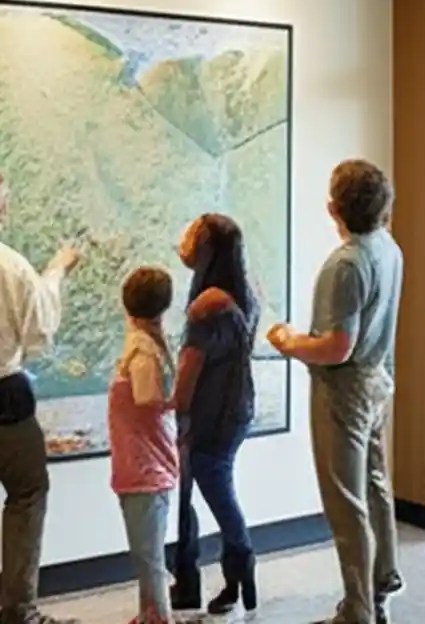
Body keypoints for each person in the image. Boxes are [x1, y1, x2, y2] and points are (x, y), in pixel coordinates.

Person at [268, 160, 403, 624]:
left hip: (344, 389)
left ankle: (358, 610)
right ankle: (382, 580)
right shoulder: (389, 249)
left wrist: (288, 341)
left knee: (346, 500)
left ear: (333, 208)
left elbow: (335, 347)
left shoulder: (344, 265)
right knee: (376, 485)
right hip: (377, 382)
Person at [0, 172, 82, 624]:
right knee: (28, 494)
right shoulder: (11, 267)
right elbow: (39, 331)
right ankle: (17, 610)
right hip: (7, 399)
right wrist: (57, 270)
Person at [169, 214, 259, 616]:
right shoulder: (245, 293)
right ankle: (198, 578)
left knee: (212, 489)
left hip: (210, 414)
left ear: (206, 247)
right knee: (204, 489)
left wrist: (176, 412)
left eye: (191, 236)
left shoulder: (208, 307)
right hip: (237, 406)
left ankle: (237, 567)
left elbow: (189, 371)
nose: (183, 242)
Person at [110, 267, 181, 624]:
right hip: (142, 463)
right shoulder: (147, 343)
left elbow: (147, 397)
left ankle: (159, 617)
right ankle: (148, 614)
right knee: (146, 554)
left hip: (143, 467)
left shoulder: (141, 349)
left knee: (149, 557)